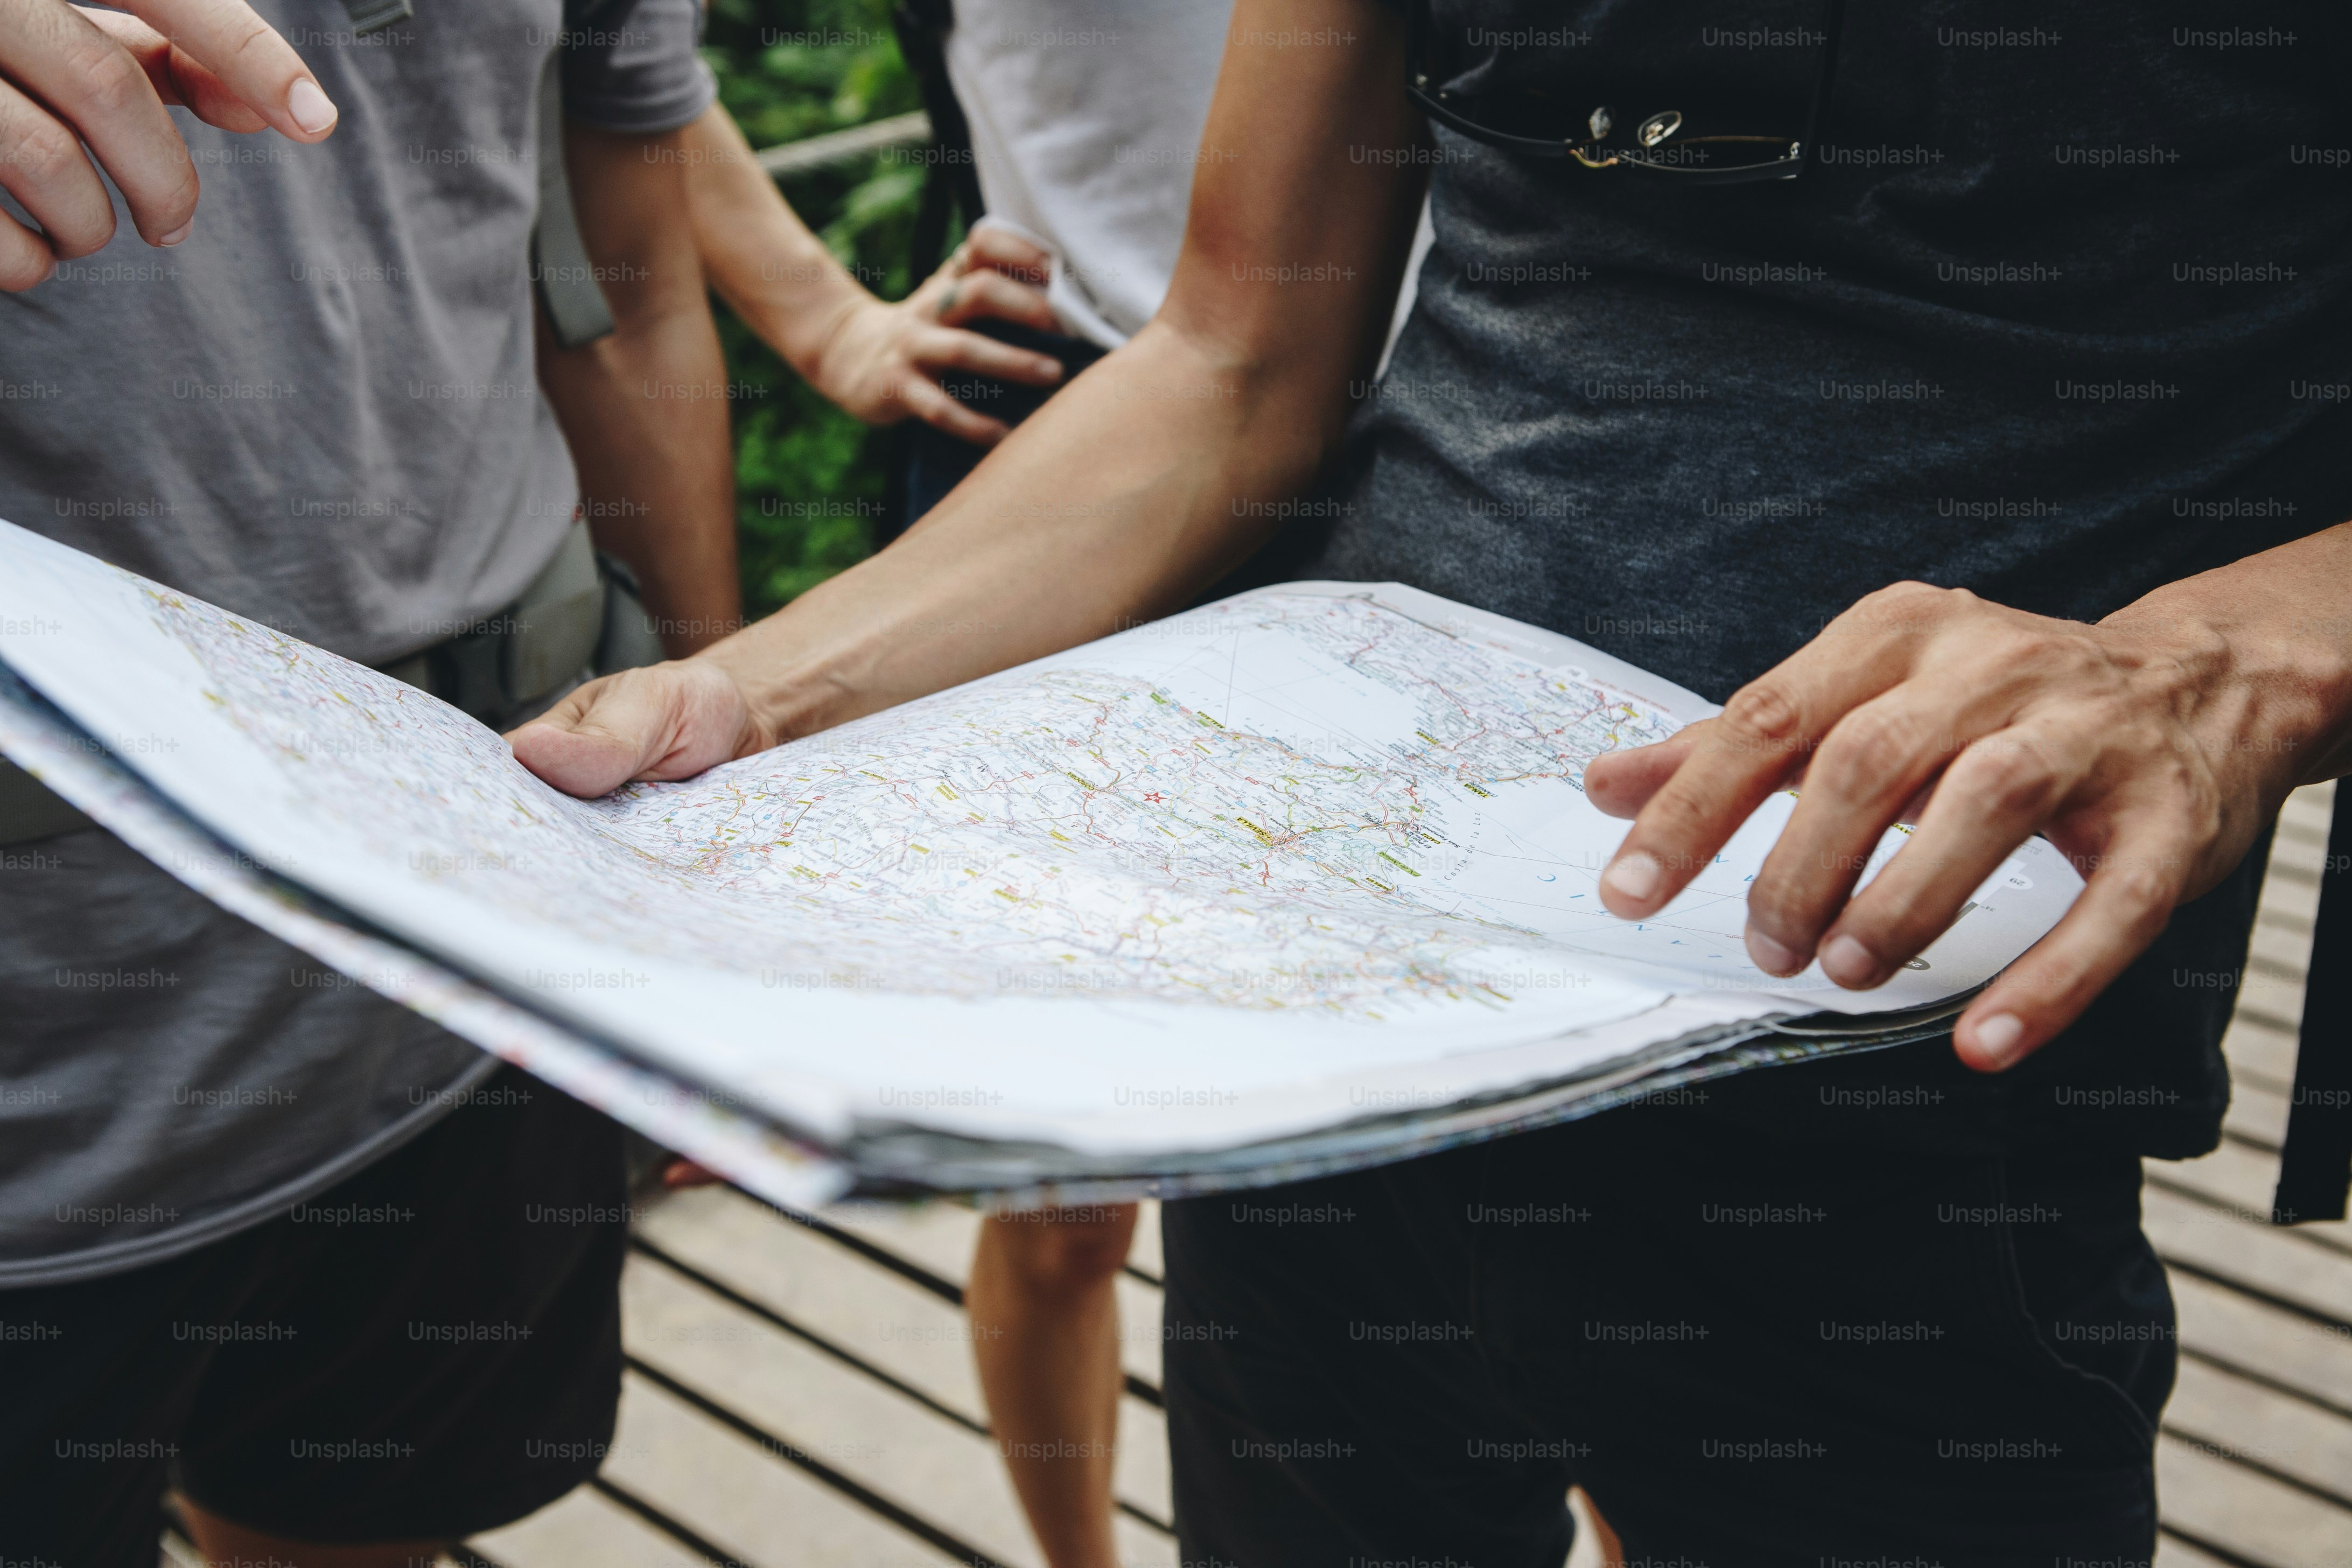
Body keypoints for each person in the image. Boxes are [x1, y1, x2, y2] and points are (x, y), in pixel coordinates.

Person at [512, 0, 2352, 1562]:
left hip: (1905, 1094)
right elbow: (1232, 360)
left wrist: (2214, 664)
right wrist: (752, 695)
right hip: (1329, 1025)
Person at [0, 1, 733, 1561]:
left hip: (484, 952)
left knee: (364, 1526)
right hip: (48, 1067)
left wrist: (712, 882)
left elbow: (627, 299)